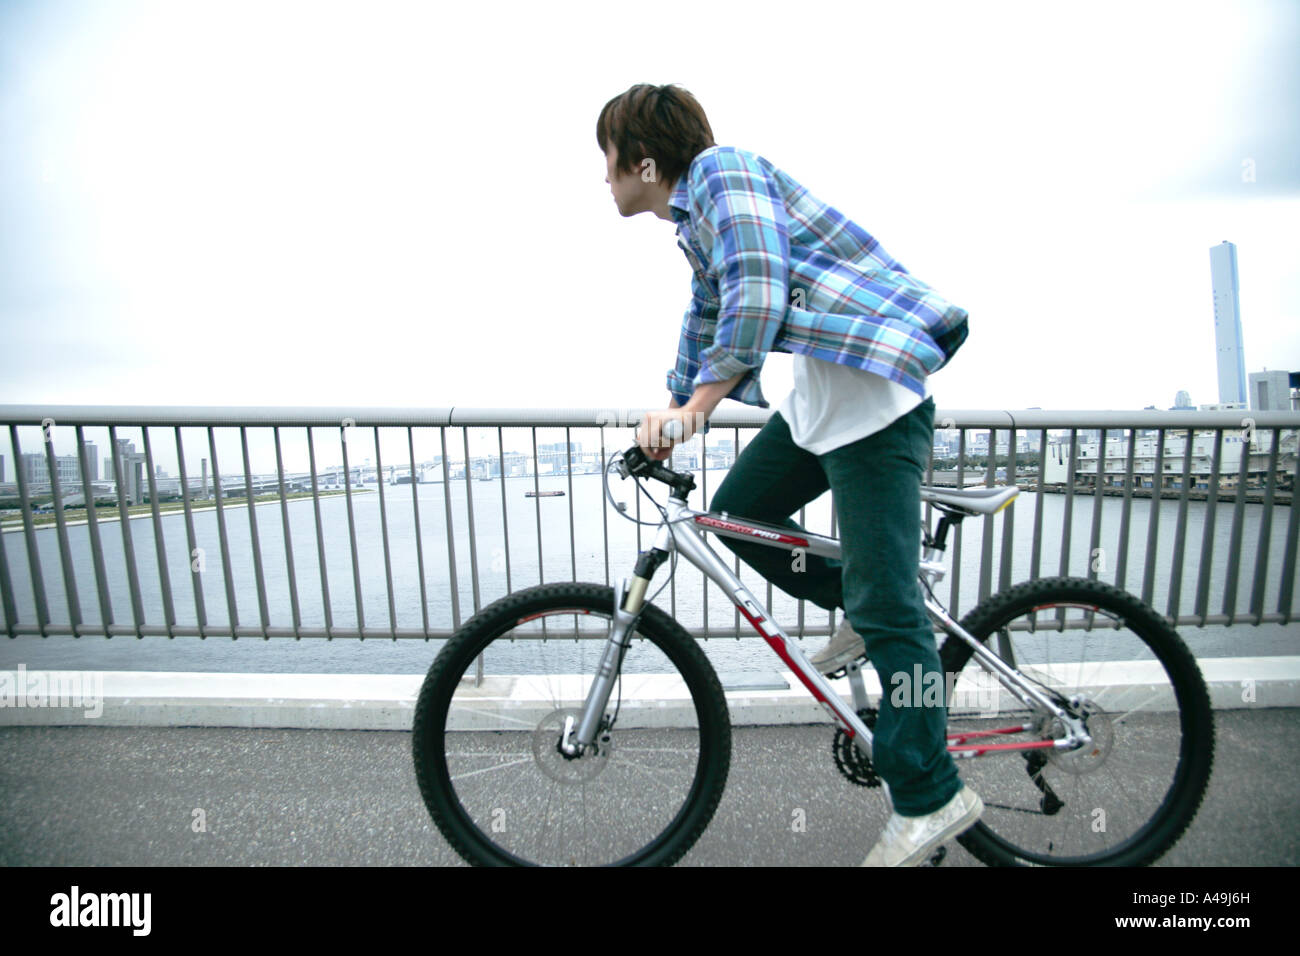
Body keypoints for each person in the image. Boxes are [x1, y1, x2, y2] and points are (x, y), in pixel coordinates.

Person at [598, 82, 980, 867]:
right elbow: (708, 313)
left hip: (873, 404)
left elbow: (759, 288)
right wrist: (675, 407)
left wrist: (700, 407)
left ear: (642, 160)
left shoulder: (720, 171)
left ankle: (930, 793)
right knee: (741, 512)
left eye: (605, 157)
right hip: (819, 407)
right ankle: (862, 606)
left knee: (891, 608)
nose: (601, 176)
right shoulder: (697, 219)